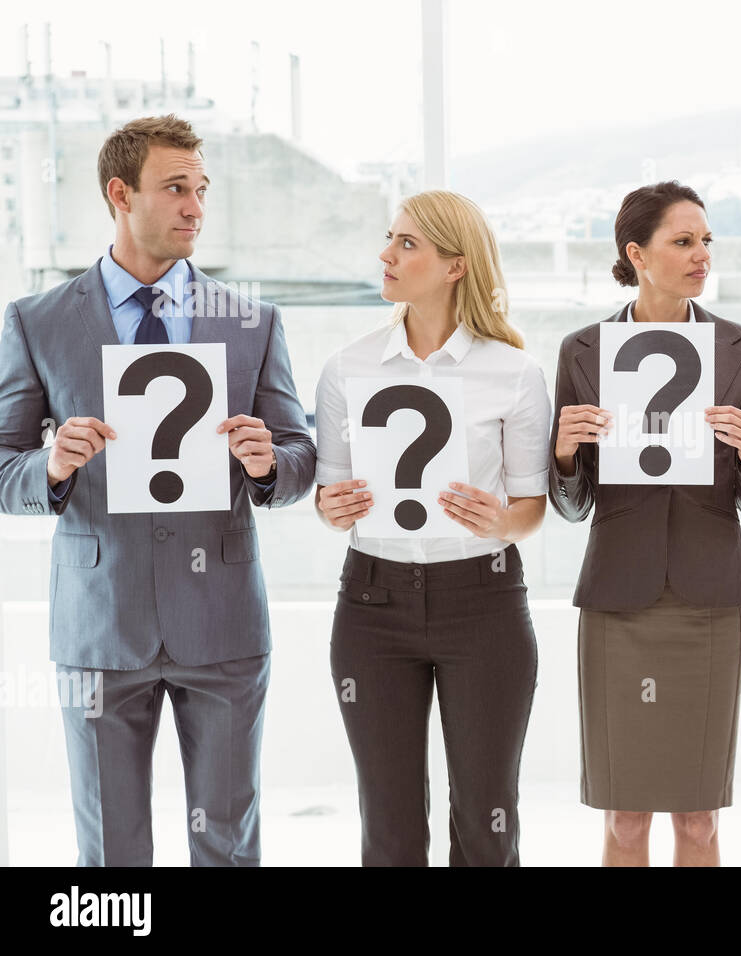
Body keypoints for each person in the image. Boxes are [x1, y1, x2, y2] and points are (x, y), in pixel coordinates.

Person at [0, 114, 316, 865]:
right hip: (101, 626)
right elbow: (2, 468)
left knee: (229, 846)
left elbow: (301, 455)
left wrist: (267, 462)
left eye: (201, 190)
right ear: (120, 193)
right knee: (112, 853)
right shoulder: (37, 321)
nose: (195, 208)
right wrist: (50, 466)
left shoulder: (249, 320)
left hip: (225, 624)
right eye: (176, 188)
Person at [314, 190, 549, 867]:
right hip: (371, 602)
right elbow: (330, 497)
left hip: (485, 603)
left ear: (456, 265)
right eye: (390, 238)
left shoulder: (514, 373)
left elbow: (532, 506)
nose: (387, 254)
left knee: (487, 818)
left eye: (408, 243)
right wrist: (333, 509)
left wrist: (502, 519)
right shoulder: (347, 369)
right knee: (387, 825)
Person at [548, 180, 741, 866]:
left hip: (708, 599)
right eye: (683, 242)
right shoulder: (582, 350)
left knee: (700, 820)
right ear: (637, 254)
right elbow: (571, 502)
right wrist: (564, 451)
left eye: (706, 240)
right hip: (619, 598)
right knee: (624, 818)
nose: (701, 254)